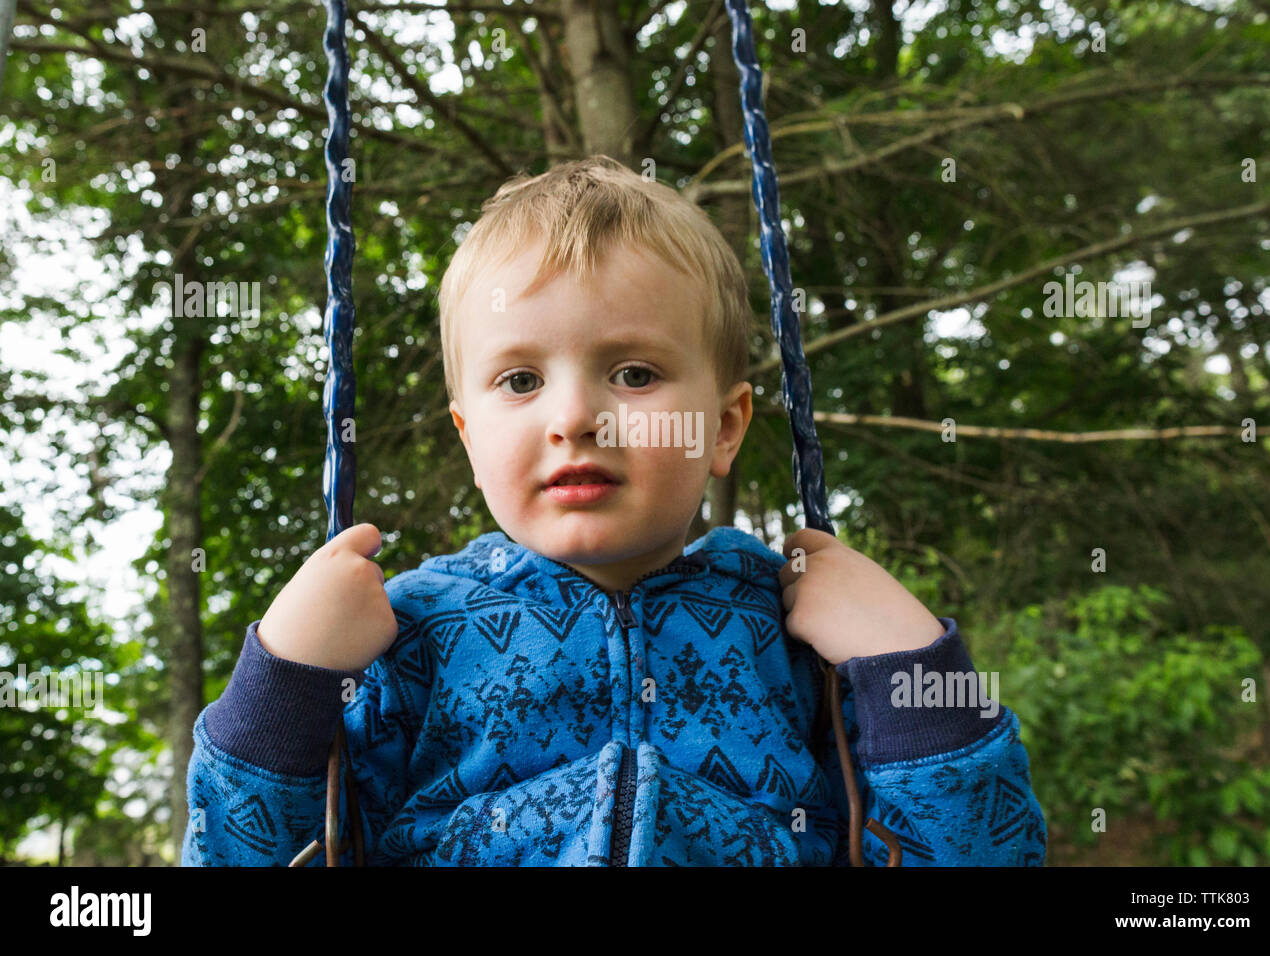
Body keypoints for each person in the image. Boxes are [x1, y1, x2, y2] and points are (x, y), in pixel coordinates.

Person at [183, 155, 1047, 866]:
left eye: (634, 374)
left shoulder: (790, 631)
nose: (571, 418)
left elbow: (987, 853)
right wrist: (279, 694)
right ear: (469, 436)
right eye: (520, 381)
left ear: (723, 426)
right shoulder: (409, 636)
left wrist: (915, 670)